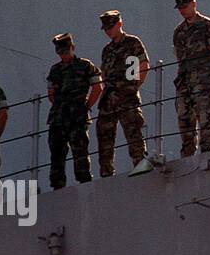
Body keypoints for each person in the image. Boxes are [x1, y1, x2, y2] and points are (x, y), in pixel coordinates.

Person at [96, 10, 151, 176]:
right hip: (109, 98)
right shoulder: (107, 50)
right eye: (105, 28)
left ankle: (140, 166)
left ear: (119, 23)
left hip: (127, 97)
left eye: (110, 27)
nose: (108, 31)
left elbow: (143, 66)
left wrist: (133, 87)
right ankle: (106, 173)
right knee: (105, 136)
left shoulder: (132, 43)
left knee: (133, 132)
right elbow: (104, 74)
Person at [172, 0, 210, 156]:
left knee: (205, 119)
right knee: (184, 120)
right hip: (184, 83)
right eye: (180, 8)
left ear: (193, 4)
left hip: (204, 82)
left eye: (185, 6)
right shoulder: (179, 31)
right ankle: (187, 154)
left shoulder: (208, 25)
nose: (182, 11)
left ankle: (208, 153)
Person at [46, 33, 102, 188]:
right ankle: (57, 187)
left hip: (77, 117)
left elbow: (98, 87)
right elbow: (51, 94)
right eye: (60, 52)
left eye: (65, 51)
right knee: (57, 155)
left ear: (72, 48)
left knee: (80, 153)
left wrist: (86, 107)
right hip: (58, 119)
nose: (63, 55)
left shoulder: (85, 65)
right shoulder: (55, 70)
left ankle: (84, 184)